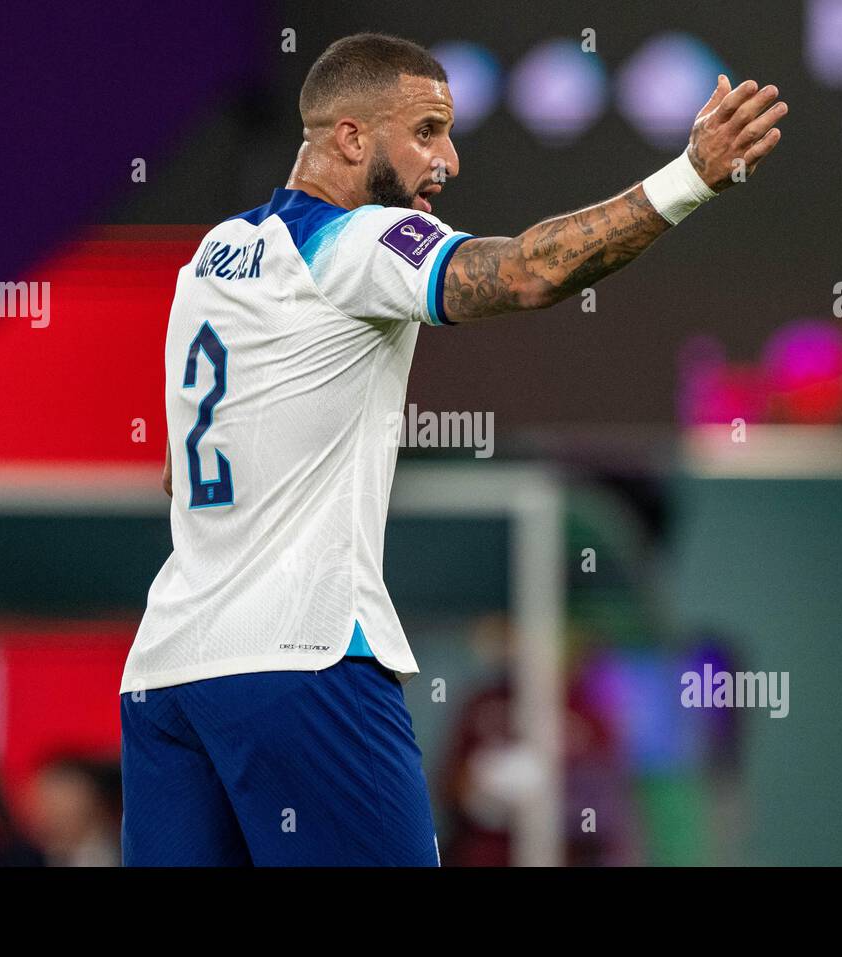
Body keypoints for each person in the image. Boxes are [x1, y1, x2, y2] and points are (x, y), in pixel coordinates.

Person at [119, 31, 786, 866]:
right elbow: (525, 274)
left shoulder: (208, 262)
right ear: (351, 139)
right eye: (427, 131)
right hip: (305, 656)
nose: (451, 159)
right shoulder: (355, 245)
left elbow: (184, 469)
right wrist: (688, 177)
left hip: (167, 669)